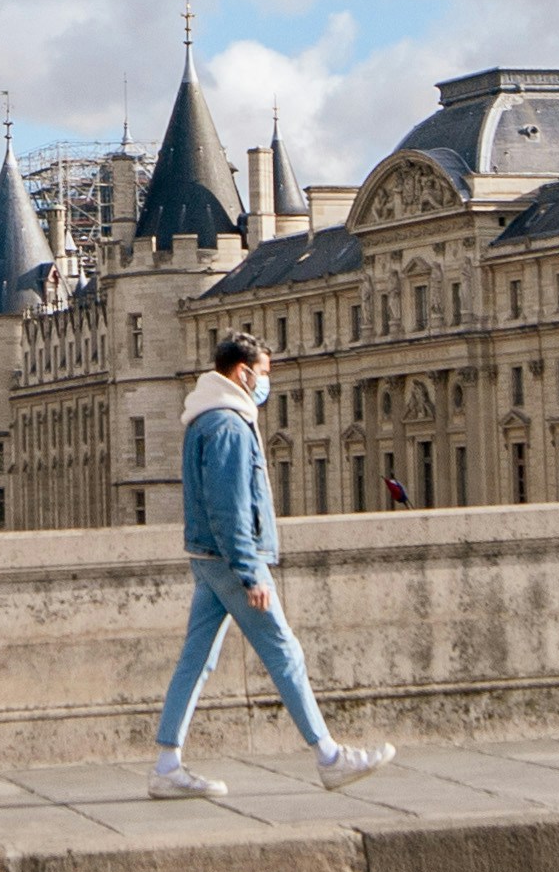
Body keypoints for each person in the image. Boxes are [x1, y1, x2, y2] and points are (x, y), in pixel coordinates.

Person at [152, 331, 395, 799]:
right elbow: (230, 506)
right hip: (230, 562)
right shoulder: (227, 423)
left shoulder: (205, 417)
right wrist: (250, 571)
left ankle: (167, 764)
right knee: (285, 653)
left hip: (206, 558)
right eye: (264, 373)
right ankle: (329, 757)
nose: (266, 383)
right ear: (241, 372)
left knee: (196, 661)